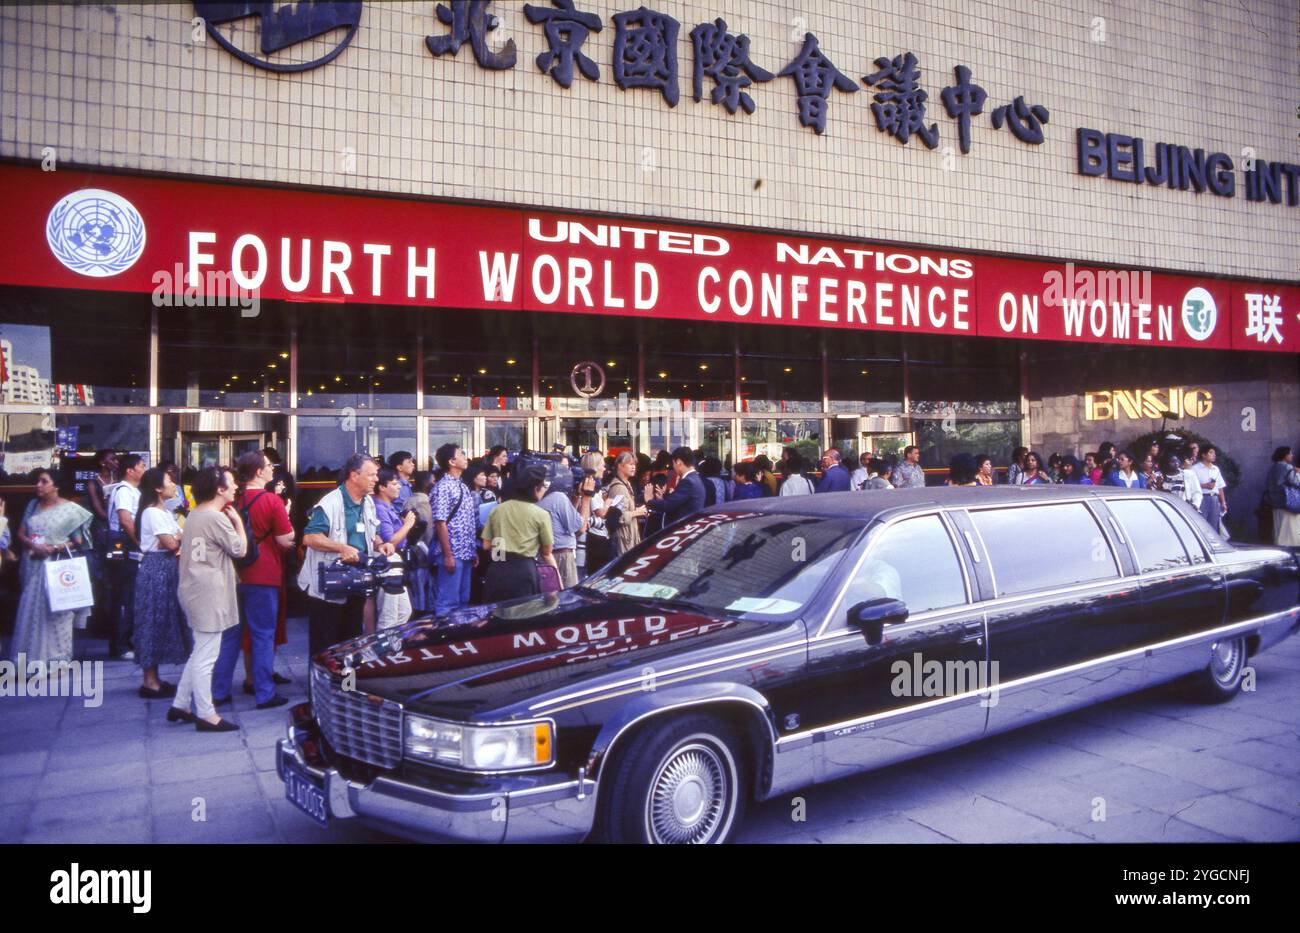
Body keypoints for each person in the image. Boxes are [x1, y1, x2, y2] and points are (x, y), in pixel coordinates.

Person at [212, 451, 296, 709]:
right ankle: (264, 692)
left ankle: (219, 691)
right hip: (264, 573)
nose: (273, 470)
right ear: (259, 472)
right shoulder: (272, 500)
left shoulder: (231, 502)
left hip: (234, 574)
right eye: (269, 466)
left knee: (230, 636)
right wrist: (289, 524)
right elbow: (285, 539)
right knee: (262, 635)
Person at [172, 466, 245, 732]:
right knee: (207, 655)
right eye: (232, 483)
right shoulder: (215, 517)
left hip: (194, 588)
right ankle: (206, 713)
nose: (236, 487)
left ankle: (181, 703)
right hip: (209, 592)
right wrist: (238, 523)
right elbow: (239, 549)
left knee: (200, 650)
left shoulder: (194, 514)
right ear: (219, 489)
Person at [299, 454, 386, 656]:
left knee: (351, 641)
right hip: (329, 584)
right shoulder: (330, 503)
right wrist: (342, 548)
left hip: (356, 580)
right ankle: (323, 686)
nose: (376, 479)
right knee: (325, 645)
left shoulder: (368, 503)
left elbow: (374, 533)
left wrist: (381, 545)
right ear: (354, 475)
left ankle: (346, 685)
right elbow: (310, 538)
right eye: (371, 475)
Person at [8, 470, 93, 663]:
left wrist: (55, 547)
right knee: (30, 610)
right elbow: (21, 533)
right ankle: (28, 660)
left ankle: (56, 661)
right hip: (32, 564)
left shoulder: (71, 509)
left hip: (56, 566)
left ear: (56, 486)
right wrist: (33, 545)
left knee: (57, 614)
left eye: (44, 481)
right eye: (38, 481)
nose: (38, 485)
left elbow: (79, 541)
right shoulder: (32, 505)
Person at [131, 467, 188, 700]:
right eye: (169, 480)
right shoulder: (152, 513)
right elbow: (170, 543)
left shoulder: (163, 511)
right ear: (157, 488)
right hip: (156, 570)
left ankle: (154, 677)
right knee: (151, 621)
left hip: (165, 569)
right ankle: (149, 680)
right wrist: (181, 535)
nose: (174, 484)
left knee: (160, 620)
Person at [481, 465, 558, 601]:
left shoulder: (497, 510)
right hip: (524, 571)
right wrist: (557, 582)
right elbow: (546, 552)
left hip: (497, 568)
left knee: (495, 616)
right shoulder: (540, 514)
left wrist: (504, 546)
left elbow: (486, 545)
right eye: (544, 486)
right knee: (523, 616)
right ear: (536, 488)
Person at [106, 452, 147, 659]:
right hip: (123, 545)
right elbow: (125, 520)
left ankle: (125, 641)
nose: (144, 469)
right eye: (141, 465)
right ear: (130, 471)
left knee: (129, 593)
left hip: (126, 544)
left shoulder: (133, 490)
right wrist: (139, 542)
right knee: (124, 594)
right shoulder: (123, 490)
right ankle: (121, 645)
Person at [431, 443, 480, 614]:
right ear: (452, 461)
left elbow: (467, 521)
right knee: (448, 602)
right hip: (452, 553)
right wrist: (448, 555)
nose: (465, 457)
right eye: (462, 454)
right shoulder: (443, 487)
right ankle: (444, 636)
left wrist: (473, 550)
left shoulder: (462, 486)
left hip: (465, 552)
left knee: (463, 600)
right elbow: (440, 522)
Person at [373, 465, 417, 629]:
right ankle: (383, 651)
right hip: (388, 565)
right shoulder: (379, 508)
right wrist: (408, 525)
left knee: (404, 612)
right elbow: (389, 541)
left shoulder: (389, 506)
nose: (399, 487)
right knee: (389, 615)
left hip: (397, 565)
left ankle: (395, 648)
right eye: (394, 483)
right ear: (382, 487)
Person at [537, 465, 585, 590]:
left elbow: (565, 519)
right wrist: (587, 497)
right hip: (562, 556)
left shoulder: (537, 500)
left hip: (542, 557)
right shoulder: (558, 497)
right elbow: (580, 527)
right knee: (568, 599)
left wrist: (576, 497)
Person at [85, 449, 117, 637]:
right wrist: (116, 518)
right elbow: (98, 510)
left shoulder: (118, 481)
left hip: (115, 533)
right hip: (101, 533)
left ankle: (112, 623)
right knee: (100, 578)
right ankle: (99, 624)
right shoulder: (93, 483)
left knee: (114, 578)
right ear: (102, 463)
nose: (116, 462)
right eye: (112, 459)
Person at [644, 447, 707, 526]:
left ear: (678, 462)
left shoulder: (688, 482)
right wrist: (663, 498)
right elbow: (677, 503)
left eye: (673, 464)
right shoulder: (695, 478)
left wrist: (649, 501)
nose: (673, 467)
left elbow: (668, 506)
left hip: (683, 530)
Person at [404, 470, 436, 612]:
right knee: (423, 597)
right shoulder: (424, 503)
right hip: (423, 556)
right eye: (433, 481)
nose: (435, 484)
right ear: (427, 484)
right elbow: (428, 532)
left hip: (412, 554)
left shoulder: (408, 501)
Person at [604, 452, 645, 557]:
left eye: (634, 464)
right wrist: (637, 512)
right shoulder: (619, 487)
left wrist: (638, 510)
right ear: (620, 466)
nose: (633, 467)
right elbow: (618, 516)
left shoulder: (626, 484)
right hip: (623, 539)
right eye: (630, 464)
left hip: (629, 537)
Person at [1266, 446, 1300, 547]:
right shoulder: (1288, 467)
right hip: (1289, 500)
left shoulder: (1274, 467)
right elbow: (1296, 482)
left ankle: (1280, 543)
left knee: (1279, 524)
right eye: (1290, 453)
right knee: (1291, 525)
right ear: (1284, 455)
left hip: (1275, 500)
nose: (1292, 455)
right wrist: (1298, 473)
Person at [1191, 446, 1228, 534]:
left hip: (1214, 499)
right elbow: (1191, 486)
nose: (1214, 455)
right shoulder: (1195, 468)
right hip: (1201, 499)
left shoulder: (1216, 469)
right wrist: (1204, 486)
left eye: (1214, 453)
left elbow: (1220, 487)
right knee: (1201, 525)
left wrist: (1223, 502)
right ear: (1203, 455)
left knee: (1213, 527)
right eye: (1211, 453)